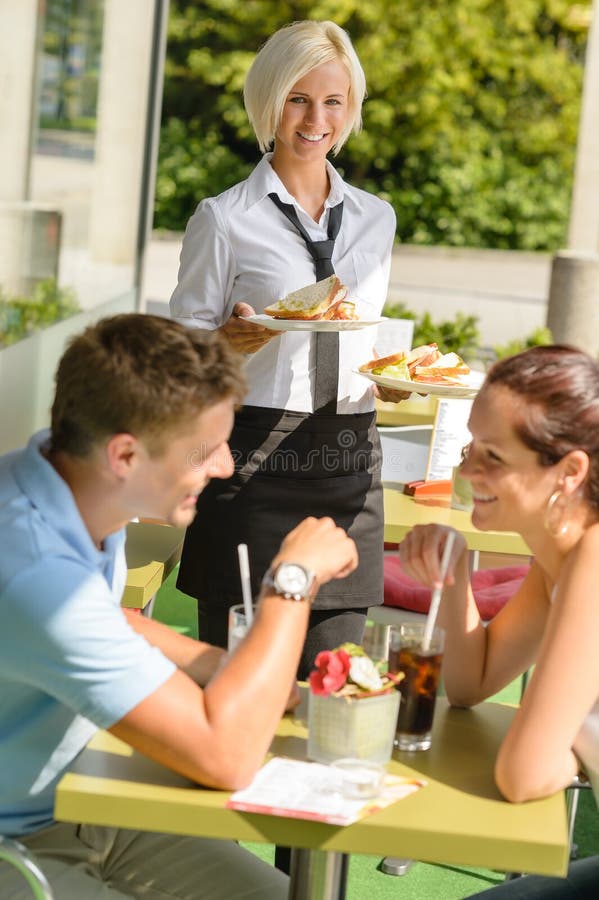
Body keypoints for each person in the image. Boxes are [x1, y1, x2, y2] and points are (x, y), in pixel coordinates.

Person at [0, 313, 358, 900]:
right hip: (14, 847)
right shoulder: (35, 569)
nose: (226, 466)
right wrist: (292, 582)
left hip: (85, 806)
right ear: (124, 455)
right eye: (205, 451)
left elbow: (105, 620)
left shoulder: (62, 480)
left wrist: (220, 668)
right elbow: (227, 758)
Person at [170, 19, 406, 680]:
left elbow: (359, 332)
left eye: (332, 101)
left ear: (350, 108)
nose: (315, 118)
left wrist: (387, 378)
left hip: (348, 459)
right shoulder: (223, 219)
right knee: (240, 680)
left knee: (337, 679)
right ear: (268, 104)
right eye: (298, 99)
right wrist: (226, 343)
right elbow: (179, 357)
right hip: (249, 459)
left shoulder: (375, 218)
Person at [397, 344, 599, 899]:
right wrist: (455, 570)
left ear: (569, 472)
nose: (466, 470)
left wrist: (567, 755)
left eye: (494, 456)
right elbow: (469, 685)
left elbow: (523, 775)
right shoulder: (558, 558)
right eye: (470, 447)